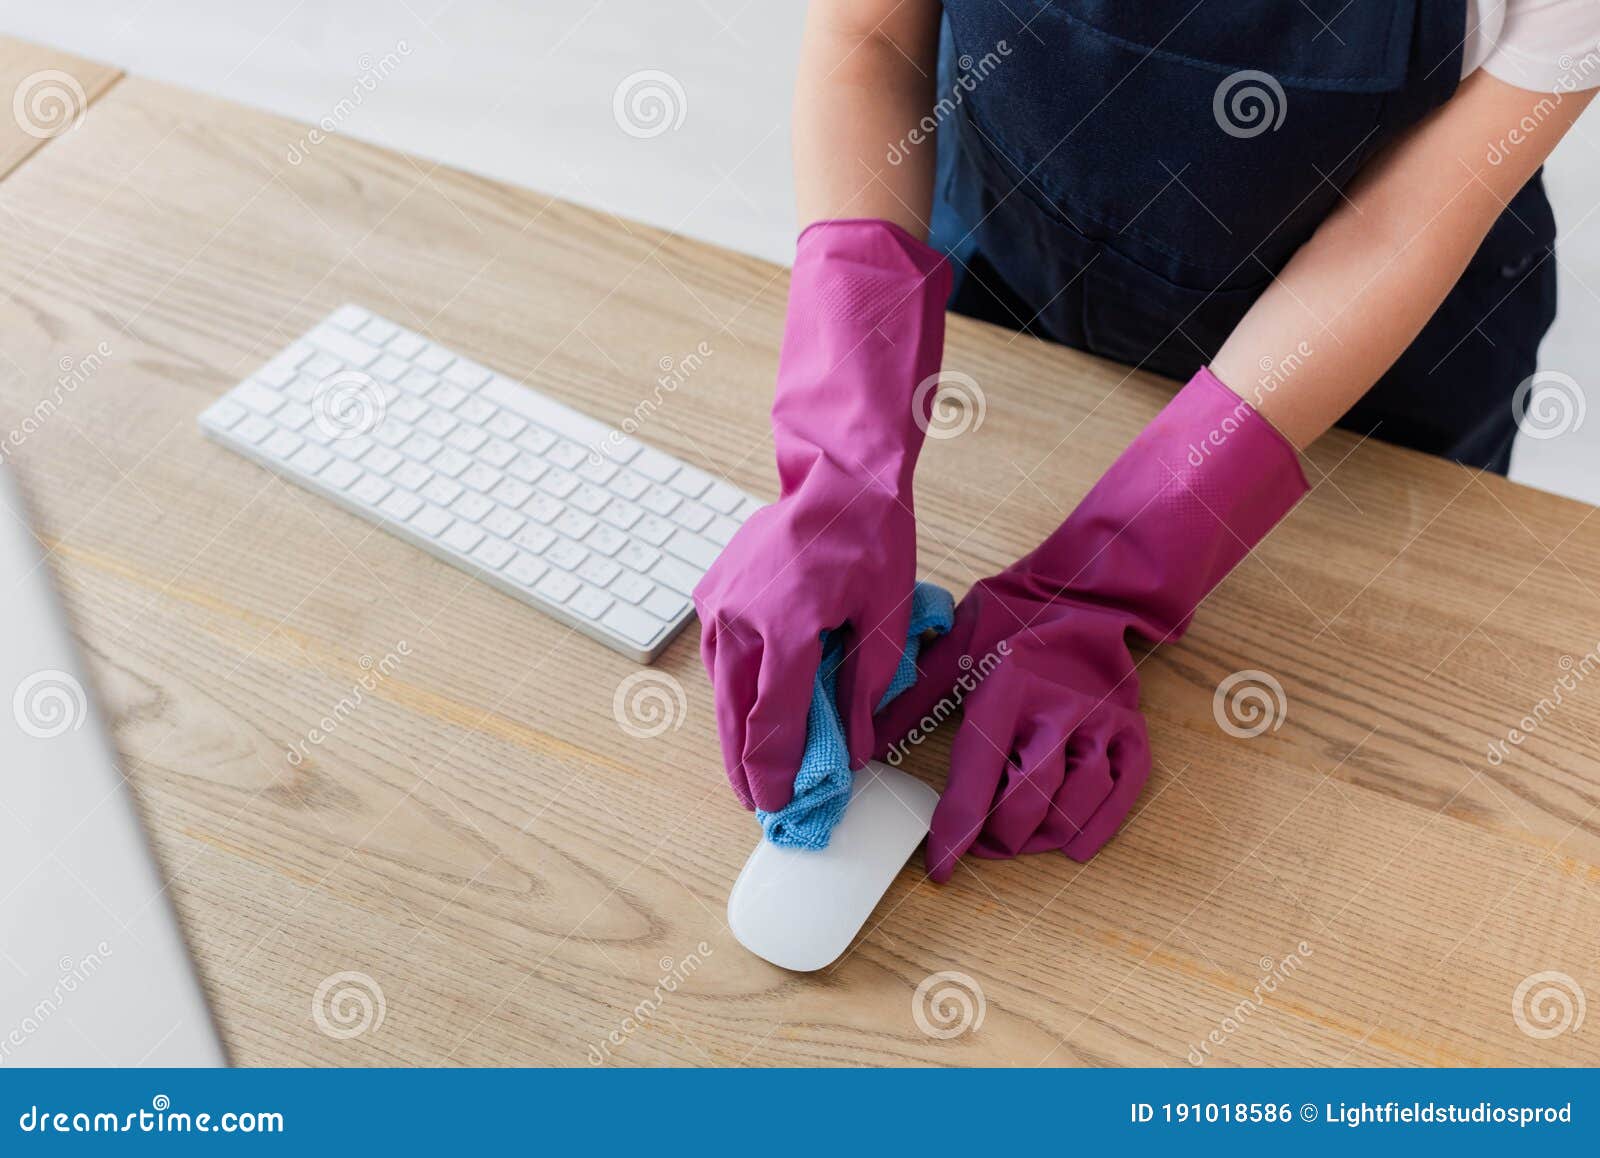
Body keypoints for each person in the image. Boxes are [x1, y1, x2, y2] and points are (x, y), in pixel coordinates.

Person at [692, 1, 1600, 881]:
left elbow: (1394, 229)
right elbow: (874, 39)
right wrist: (843, 456)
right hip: (1021, 264)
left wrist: (1114, 573)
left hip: (1364, 384)